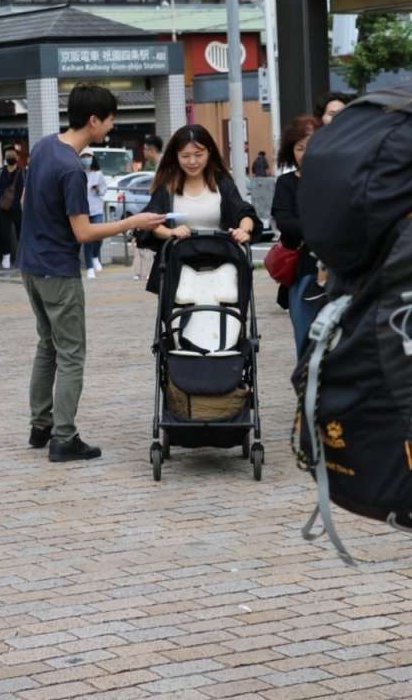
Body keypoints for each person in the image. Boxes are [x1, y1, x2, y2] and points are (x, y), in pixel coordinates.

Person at [17, 83, 165, 462]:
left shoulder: (44, 147)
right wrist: (131, 221)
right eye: (111, 120)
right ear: (94, 120)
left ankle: (41, 426)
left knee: (47, 345)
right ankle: (64, 438)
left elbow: (24, 201)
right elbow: (83, 232)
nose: (111, 128)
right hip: (58, 270)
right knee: (71, 353)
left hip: (31, 266)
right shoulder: (71, 168)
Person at [142, 125, 262, 294]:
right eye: (185, 156)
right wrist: (171, 232)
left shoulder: (222, 183)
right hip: (178, 265)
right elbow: (152, 221)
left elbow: (244, 212)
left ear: (209, 152)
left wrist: (244, 230)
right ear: (175, 156)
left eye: (199, 155)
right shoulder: (167, 186)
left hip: (221, 263)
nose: (192, 162)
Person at [270, 115, 323, 355]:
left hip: (338, 270)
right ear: (291, 152)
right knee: (306, 340)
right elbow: (285, 222)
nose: (306, 152)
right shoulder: (286, 183)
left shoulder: (336, 178)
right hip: (303, 270)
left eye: (312, 146)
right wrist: (322, 231)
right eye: (300, 148)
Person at [0, 146, 25, 269]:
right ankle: (6, 257)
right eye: (8, 155)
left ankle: (22, 258)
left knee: (22, 234)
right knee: (4, 234)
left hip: (19, 209)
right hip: (4, 208)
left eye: (12, 155)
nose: (10, 157)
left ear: (17, 157)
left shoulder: (23, 172)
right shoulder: (0, 172)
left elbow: (27, 189)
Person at [80, 151, 107, 280]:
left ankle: (95, 256)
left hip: (96, 209)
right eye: (83, 157)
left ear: (92, 158)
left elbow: (104, 190)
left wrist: (98, 189)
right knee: (87, 239)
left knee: (99, 236)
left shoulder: (98, 174)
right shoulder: (78, 173)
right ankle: (90, 267)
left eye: (88, 157)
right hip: (83, 210)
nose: (86, 159)